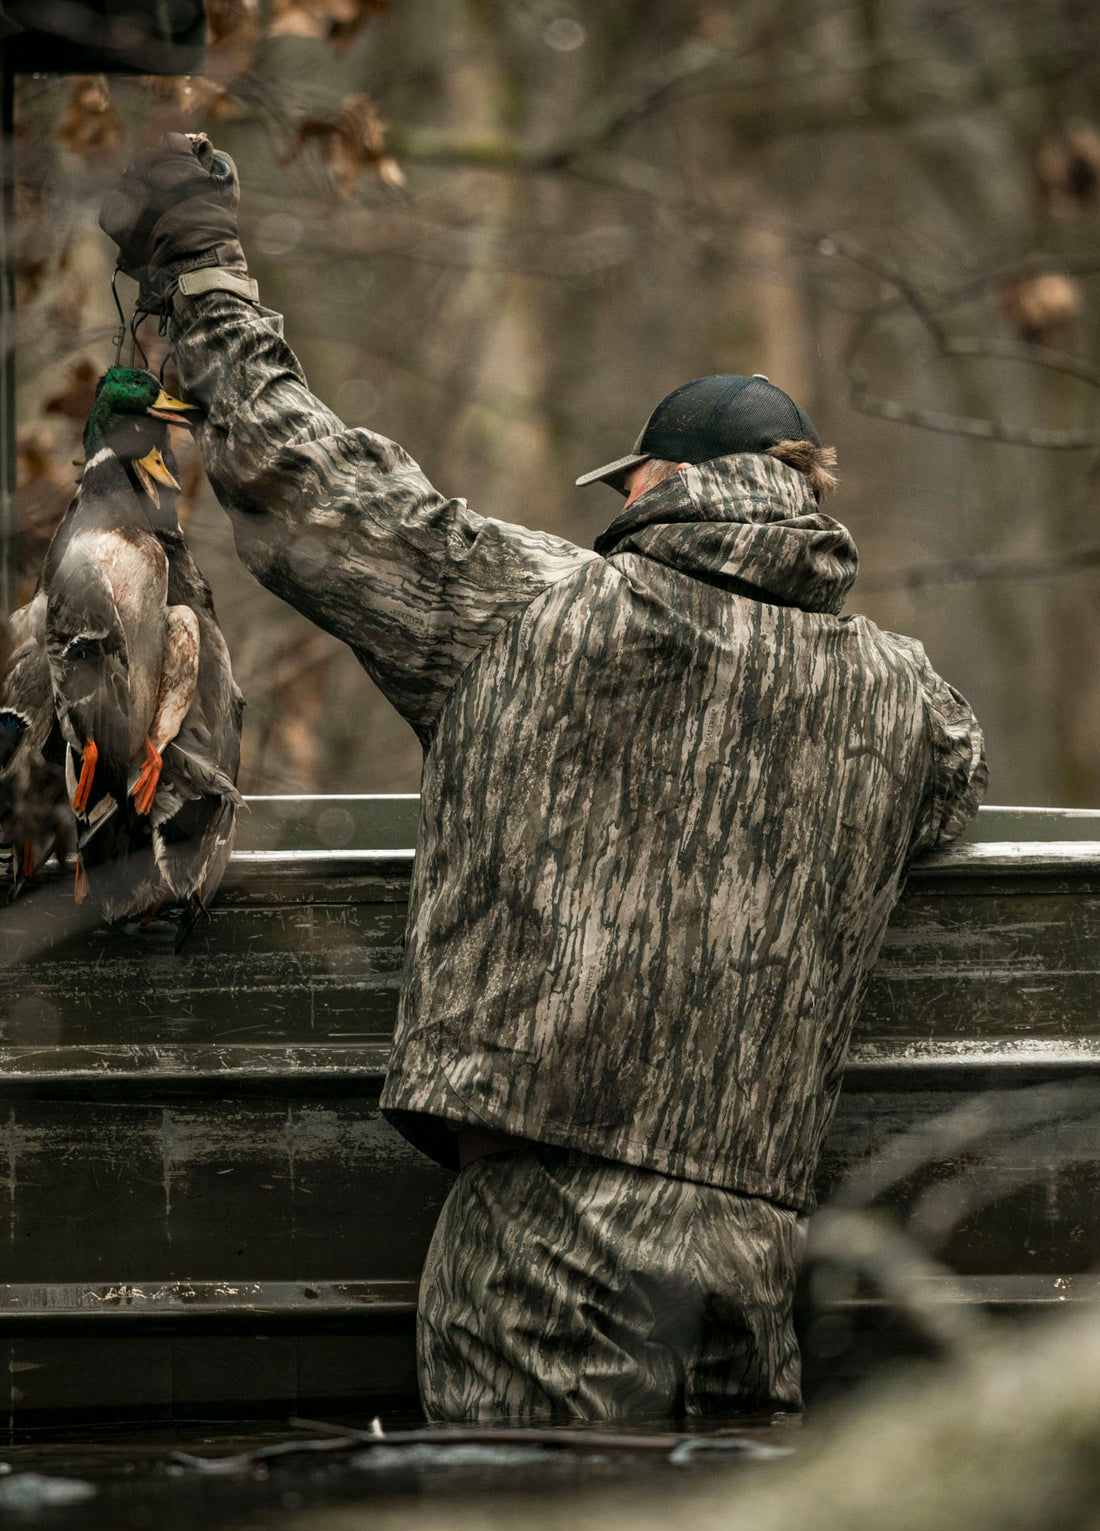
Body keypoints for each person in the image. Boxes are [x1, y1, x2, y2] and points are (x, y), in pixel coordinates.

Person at [99, 135, 988, 1424]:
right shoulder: (911, 699)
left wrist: (207, 268)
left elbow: (302, 479)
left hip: (549, 1241)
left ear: (666, 484)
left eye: (624, 487)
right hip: (756, 1251)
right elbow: (950, 787)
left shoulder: (529, 610)